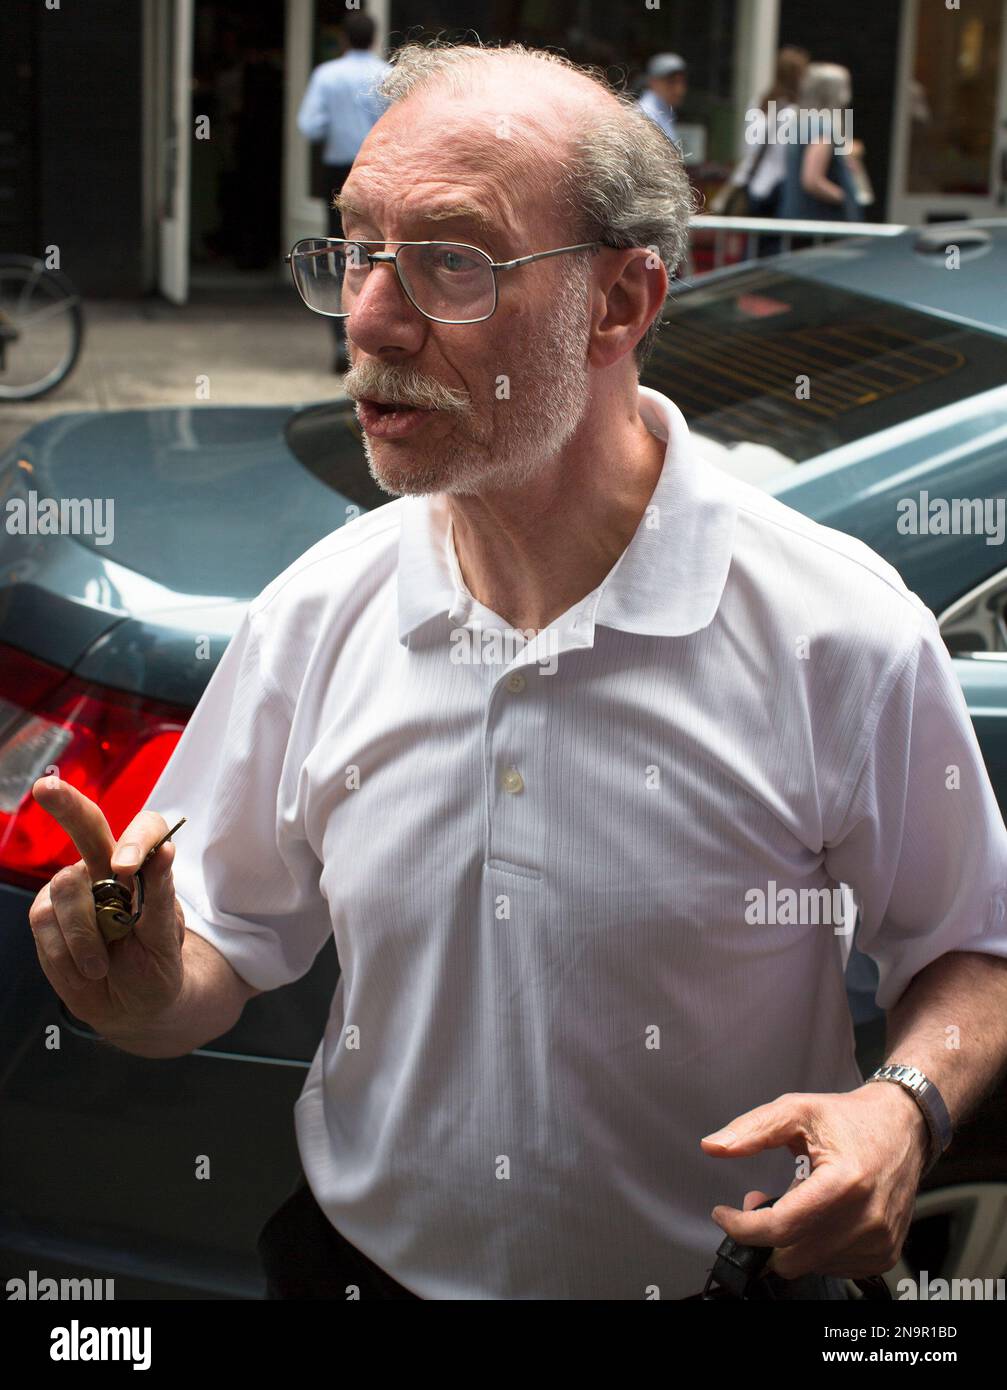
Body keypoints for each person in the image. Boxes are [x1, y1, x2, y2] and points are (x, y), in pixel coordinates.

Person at [29, 40, 1007, 1301]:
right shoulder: (321, 610)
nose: (369, 320)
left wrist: (905, 1108)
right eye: (356, 249)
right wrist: (143, 980)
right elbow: (214, 957)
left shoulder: (835, 629)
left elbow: (971, 947)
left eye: (449, 261)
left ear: (620, 302)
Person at [297, 11, 389, 371]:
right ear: (374, 37)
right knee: (382, 255)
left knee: (343, 255)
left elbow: (309, 126)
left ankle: (342, 343)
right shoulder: (388, 75)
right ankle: (375, 341)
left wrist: (339, 123)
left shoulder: (327, 75)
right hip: (381, 172)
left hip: (341, 174)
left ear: (344, 40)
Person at [726, 46, 809, 220]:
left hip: (753, 185)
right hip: (778, 191)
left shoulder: (759, 103)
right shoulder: (796, 114)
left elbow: (747, 147)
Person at [777, 62, 861, 223]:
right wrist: (847, 198)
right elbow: (812, 180)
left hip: (798, 221)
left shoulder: (801, 122)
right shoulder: (822, 126)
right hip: (818, 222)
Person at [637, 52, 688, 150]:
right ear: (653, 82)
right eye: (671, 82)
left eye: (681, 82)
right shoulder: (646, 113)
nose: (679, 90)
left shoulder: (664, 109)